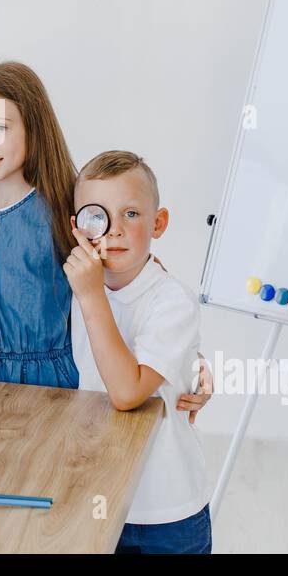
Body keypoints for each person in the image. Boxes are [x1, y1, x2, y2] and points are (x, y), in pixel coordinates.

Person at [64, 150, 211, 553]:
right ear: (75, 227)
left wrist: (92, 295)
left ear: (158, 223)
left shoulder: (171, 300)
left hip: (168, 509)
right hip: (102, 497)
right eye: (98, 217)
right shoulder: (79, 289)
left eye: (131, 214)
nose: (113, 231)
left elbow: (128, 393)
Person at [0, 62, 80, 388]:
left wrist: (185, 362)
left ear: (33, 126)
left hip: (49, 385)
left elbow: (126, 289)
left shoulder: (65, 207)